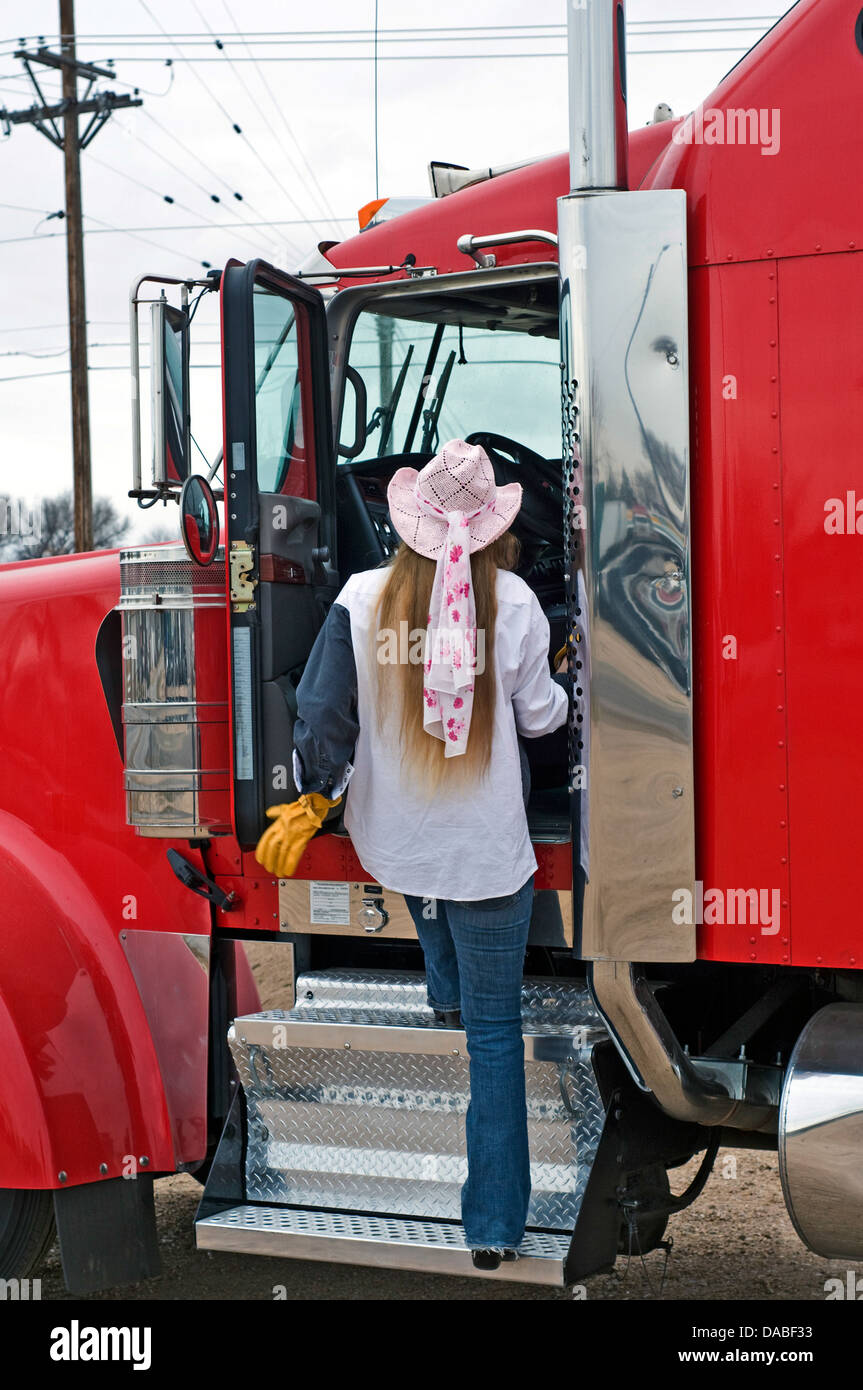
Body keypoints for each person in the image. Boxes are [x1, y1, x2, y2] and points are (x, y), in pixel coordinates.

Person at [255, 438, 571, 1270]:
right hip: (484, 850)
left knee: (421, 887)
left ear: (411, 523)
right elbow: (542, 722)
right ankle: (494, 1226)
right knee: (494, 1042)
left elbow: (323, 715)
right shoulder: (517, 604)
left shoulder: (360, 598)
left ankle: (442, 991)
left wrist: (317, 792)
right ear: (495, 528)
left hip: (393, 841)